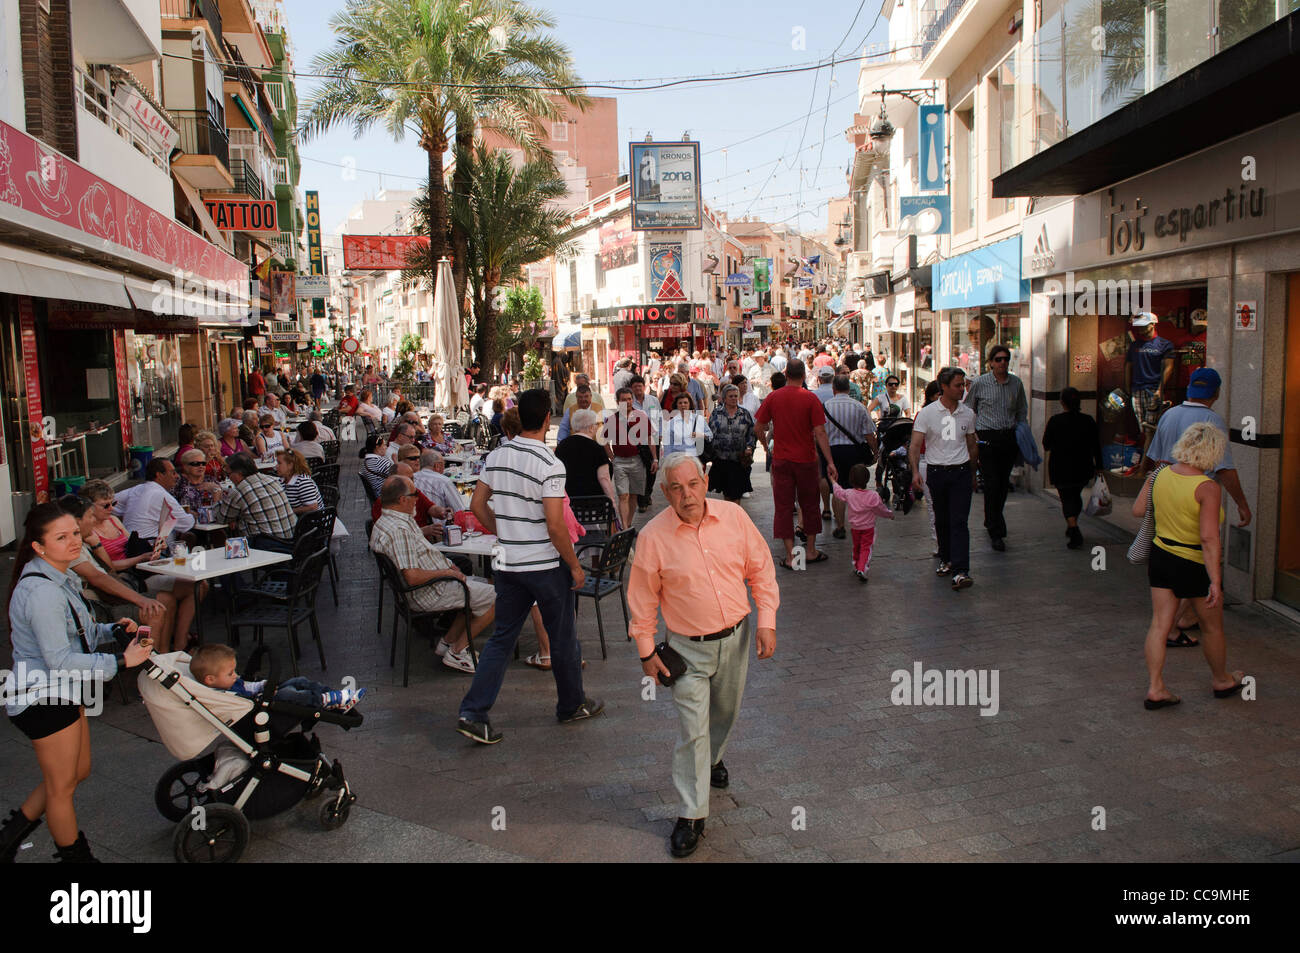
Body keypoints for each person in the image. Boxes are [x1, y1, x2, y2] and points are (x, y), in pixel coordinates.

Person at [628, 453, 778, 858]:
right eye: (675, 488)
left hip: (737, 638)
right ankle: (691, 815)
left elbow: (761, 569)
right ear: (664, 493)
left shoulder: (733, 518)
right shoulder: (653, 537)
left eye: (692, 484)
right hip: (685, 651)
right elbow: (642, 601)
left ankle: (713, 759)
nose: (686, 495)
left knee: (725, 713)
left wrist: (767, 620)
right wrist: (646, 652)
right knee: (693, 729)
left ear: (704, 480)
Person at [1, 503, 152, 863]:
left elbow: (75, 632)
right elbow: (60, 660)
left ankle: (10, 836)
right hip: (42, 696)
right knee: (61, 787)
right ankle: (76, 859)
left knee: (75, 772)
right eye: (61, 537)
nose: (73, 543)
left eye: (74, 534)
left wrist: (111, 629)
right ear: (38, 546)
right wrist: (120, 660)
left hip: (62, 690)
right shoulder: (42, 593)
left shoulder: (59, 575)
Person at [457, 389, 603, 743]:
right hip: (545, 566)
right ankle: (571, 704)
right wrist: (575, 566)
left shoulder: (498, 454)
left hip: (508, 563)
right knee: (563, 637)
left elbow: (477, 505)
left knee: (501, 640)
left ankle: (473, 711)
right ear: (548, 417)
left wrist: (504, 531)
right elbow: (555, 525)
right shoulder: (550, 464)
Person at [1132, 422, 1245, 710]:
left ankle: (1156, 687)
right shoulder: (1206, 487)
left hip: (1161, 556)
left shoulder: (1159, 474)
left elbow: (1137, 510)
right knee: (1211, 627)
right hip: (1193, 561)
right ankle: (1222, 680)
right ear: (1213, 452)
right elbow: (1209, 538)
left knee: (1159, 624)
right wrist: (1216, 581)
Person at [1143, 367, 1252, 645]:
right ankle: (1182, 622)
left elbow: (1155, 460)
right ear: (1215, 393)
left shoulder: (1169, 415)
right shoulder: (1211, 419)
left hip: (1167, 498)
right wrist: (1242, 504)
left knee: (1172, 561)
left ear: (1190, 389)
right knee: (1200, 563)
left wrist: (1156, 495)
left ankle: (1173, 624)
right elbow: (1225, 470)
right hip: (1197, 501)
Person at [370, 476, 492, 674]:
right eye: (415, 494)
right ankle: (458, 651)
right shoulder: (398, 529)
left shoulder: (389, 521)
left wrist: (450, 566)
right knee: (499, 598)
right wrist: (447, 573)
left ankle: (447, 642)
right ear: (402, 500)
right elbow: (412, 576)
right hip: (429, 592)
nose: (418, 498)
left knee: (484, 586)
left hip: (432, 586)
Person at [754, 359, 837, 569]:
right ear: (803, 375)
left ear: (786, 374)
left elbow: (758, 427)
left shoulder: (774, 397)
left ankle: (792, 557)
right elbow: (819, 432)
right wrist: (829, 461)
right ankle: (810, 551)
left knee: (783, 506)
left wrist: (766, 447)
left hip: (782, 459)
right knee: (809, 504)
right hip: (807, 459)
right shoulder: (810, 398)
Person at [909, 367, 979, 590]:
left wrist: (973, 472)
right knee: (942, 519)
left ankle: (961, 570)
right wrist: (915, 472)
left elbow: (972, 445)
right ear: (945, 387)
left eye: (963, 385)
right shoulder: (928, 413)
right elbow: (915, 444)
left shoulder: (968, 413)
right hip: (936, 472)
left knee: (959, 521)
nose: (962, 389)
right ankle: (947, 559)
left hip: (960, 472)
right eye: (958, 385)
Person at [964, 343, 1028, 553]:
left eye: (1005, 359)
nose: (1002, 363)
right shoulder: (981, 383)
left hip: (1007, 438)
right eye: (998, 359)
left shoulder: (1016, 383)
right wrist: (973, 435)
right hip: (987, 439)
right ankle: (996, 530)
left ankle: (992, 518)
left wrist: (1019, 431)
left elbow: (1021, 410)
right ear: (991, 362)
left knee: (1002, 484)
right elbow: (968, 409)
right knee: (991, 483)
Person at [189, 643, 366, 710]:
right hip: (262, 707)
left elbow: (248, 686)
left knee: (299, 681)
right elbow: (246, 701)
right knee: (289, 692)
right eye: (230, 673)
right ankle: (324, 700)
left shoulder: (229, 683)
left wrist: (264, 685)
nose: (235, 675)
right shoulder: (224, 696)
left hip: (265, 696)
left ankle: (333, 695)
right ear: (210, 680)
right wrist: (264, 693)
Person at [1041, 387, 1103, 549]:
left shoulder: (1055, 421)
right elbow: (1096, 446)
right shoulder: (1088, 421)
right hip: (1082, 468)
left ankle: (1073, 527)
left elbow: (1046, 444)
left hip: (1060, 468)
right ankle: (1072, 523)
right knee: (1075, 495)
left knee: (1066, 498)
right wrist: (1100, 467)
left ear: (1062, 403)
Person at [822, 375, 878, 540]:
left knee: (837, 489)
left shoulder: (825, 407)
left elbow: (819, 432)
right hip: (854, 452)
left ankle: (840, 526)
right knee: (855, 487)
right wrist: (875, 451)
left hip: (832, 452)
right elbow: (869, 433)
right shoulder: (859, 407)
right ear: (849, 389)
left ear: (834, 389)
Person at [209, 452, 297, 551]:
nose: (228, 477)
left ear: (239, 474)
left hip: (266, 545)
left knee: (225, 539)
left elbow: (221, 518)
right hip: (292, 540)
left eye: (228, 474)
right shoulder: (272, 479)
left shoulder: (239, 491)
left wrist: (216, 495)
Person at [1125, 311, 1176, 472]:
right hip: (1137, 390)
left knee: (1150, 430)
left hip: (1154, 390)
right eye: (1138, 327)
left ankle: (1144, 470)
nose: (1139, 330)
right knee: (1145, 430)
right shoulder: (1135, 345)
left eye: (1143, 326)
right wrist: (1128, 388)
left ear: (1152, 324)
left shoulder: (1164, 344)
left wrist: (1160, 389)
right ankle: (1151, 467)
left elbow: (1169, 367)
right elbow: (1128, 366)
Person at [115, 458, 195, 551]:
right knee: (190, 536)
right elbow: (186, 524)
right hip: (149, 550)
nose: (177, 476)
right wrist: (193, 515)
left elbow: (110, 504)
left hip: (129, 546)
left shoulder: (136, 489)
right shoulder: (161, 495)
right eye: (173, 473)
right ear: (159, 475)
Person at [603, 388, 655, 530]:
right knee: (623, 495)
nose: (627, 402)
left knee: (633, 495)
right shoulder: (612, 419)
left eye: (629, 399)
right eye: (623, 399)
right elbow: (604, 441)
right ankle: (625, 527)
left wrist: (655, 459)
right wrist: (613, 458)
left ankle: (629, 524)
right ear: (617, 402)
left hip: (638, 460)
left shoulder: (641, 417)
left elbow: (650, 438)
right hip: (620, 461)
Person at [833, 463, 895, 581]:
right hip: (868, 528)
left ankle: (856, 565)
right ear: (867, 479)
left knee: (856, 547)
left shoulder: (849, 494)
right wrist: (890, 515)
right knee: (866, 548)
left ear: (851, 480)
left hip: (855, 527)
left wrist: (833, 482)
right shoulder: (873, 496)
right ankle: (862, 568)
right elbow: (881, 509)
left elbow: (838, 492)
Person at [556, 408, 620, 520]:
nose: (596, 427)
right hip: (593, 506)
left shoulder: (561, 447)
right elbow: (604, 478)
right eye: (595, 424)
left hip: (569, 504)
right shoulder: (597, 448)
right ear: (590, 427)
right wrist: (612, 502)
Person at [706, 384, 756, 502]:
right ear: (724, 398)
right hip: (721, 460)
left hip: (738, 461)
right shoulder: (716, 414)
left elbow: (751, 433)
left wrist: (749, 447)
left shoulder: (745, 414)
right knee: (727, 493)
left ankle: (734, 517)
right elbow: (710, 434)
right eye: (731, 396)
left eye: (735, 396)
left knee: (736, 494)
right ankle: (730, 517)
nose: (734, 398)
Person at [629, 375, 662, 513]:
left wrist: (660, 435)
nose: (638, 389)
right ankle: (642, 500)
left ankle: (647, 493)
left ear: (644, 386)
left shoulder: (653, 400)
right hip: (638, 442)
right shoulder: (629, 404)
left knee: (652, 470)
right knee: (641, 470)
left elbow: (660, 418)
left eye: (640, 386)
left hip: (653, 439)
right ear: (631, 388)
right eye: (635, 386)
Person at [413, 450, 467, 514]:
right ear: (437, 466)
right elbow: (459, 509)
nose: (444, 467)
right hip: (439, 522)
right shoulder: (443, 481)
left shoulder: (412, 477)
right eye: (444, 464)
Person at [275, 448, 323, 514]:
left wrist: (289, 511)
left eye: (279, 463)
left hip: (313, 521)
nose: (276, 466)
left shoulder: (303, 482)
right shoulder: (281, 480)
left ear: (290, 465)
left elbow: (313, 507)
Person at [359, 433, 396, 499]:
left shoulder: (366, 461)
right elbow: (400, 476)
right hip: (387, 496)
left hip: (378, 494)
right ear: (377, 447)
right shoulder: (380, 462)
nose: (386, 447)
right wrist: (396, 461)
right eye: (384, 445)